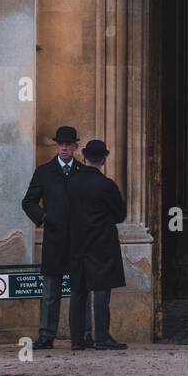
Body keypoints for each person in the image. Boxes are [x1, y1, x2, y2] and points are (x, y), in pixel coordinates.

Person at [21, 126, 85, 350]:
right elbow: (28, 202)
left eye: (68, 145)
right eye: (61, 144)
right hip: (55, 238)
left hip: (78, 239)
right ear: (57, 146)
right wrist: (44, 217)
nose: (64, 148)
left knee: (80, 289)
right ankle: (47, 335)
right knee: (50, 291)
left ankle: (81, 335)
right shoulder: (44, 172)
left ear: (75, 147)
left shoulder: (83, 171)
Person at [68, 140, 128, 352]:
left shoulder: (71, 182)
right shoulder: (106, 185)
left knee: (78, 291)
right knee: (101, 290)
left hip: (77, 242)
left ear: (84, 156)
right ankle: (101, 336)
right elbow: (120, 215)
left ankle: (77, 339)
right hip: (101, 242)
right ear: (104, 159)